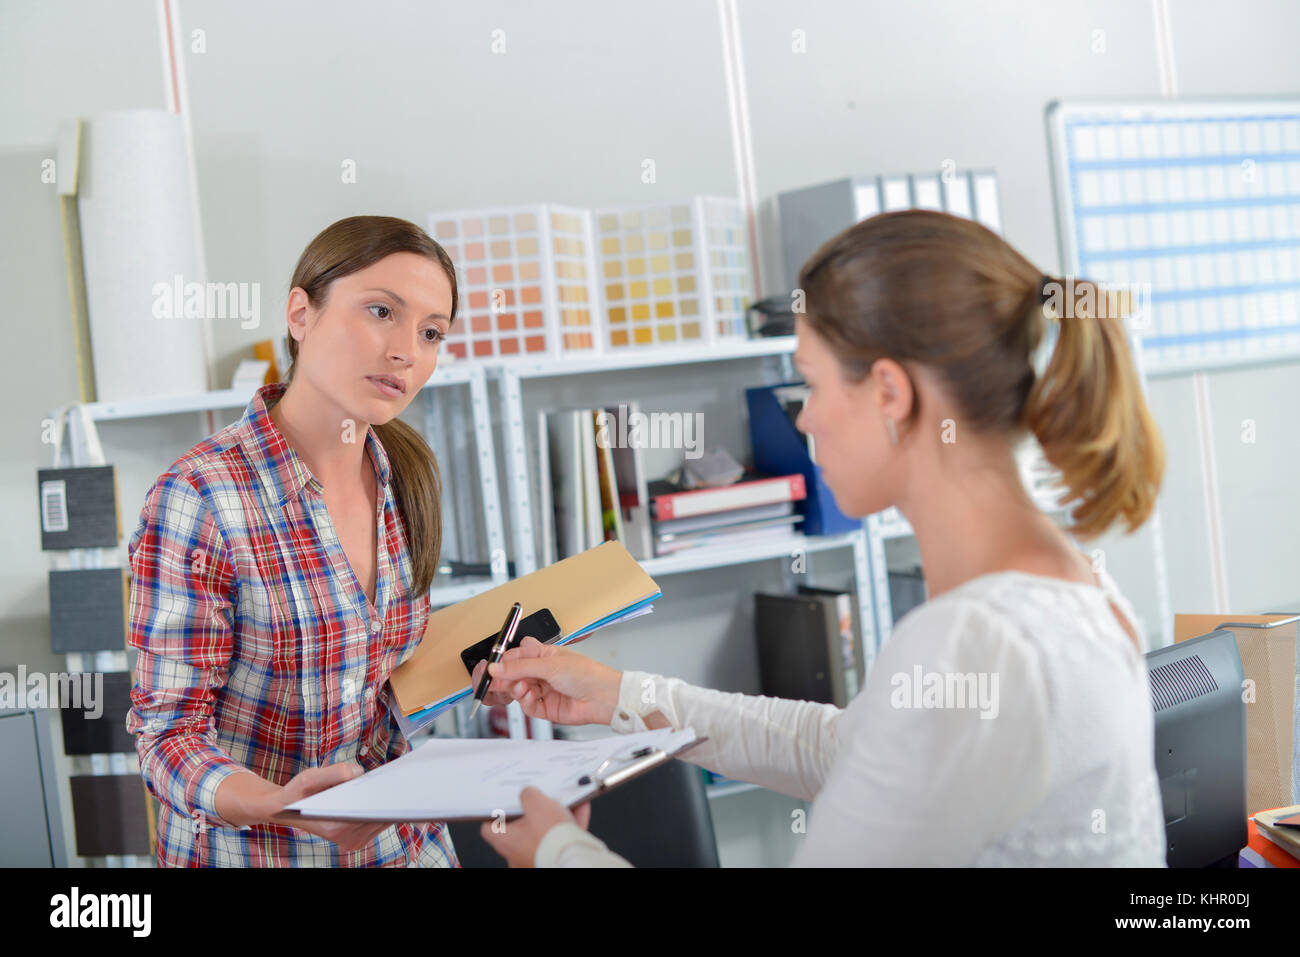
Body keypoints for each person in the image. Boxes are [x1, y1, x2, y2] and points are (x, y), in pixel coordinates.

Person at [478, 209, 1170, 867]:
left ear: (891, 394)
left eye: (809, 382)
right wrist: (617, 695)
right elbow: (847, 749)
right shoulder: (1071, 586)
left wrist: (559, 852)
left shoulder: (974, 641)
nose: (802, 420)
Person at [126, 215, 463, 866]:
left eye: (430, 333)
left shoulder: (406, 475)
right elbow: (168, 736)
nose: (405, 351)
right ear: (301, 314)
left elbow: (375, 672)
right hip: (260, 850)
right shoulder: (200, 499)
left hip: (399, 845)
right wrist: (284, 803)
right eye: (379, 311)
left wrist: (487, 666)